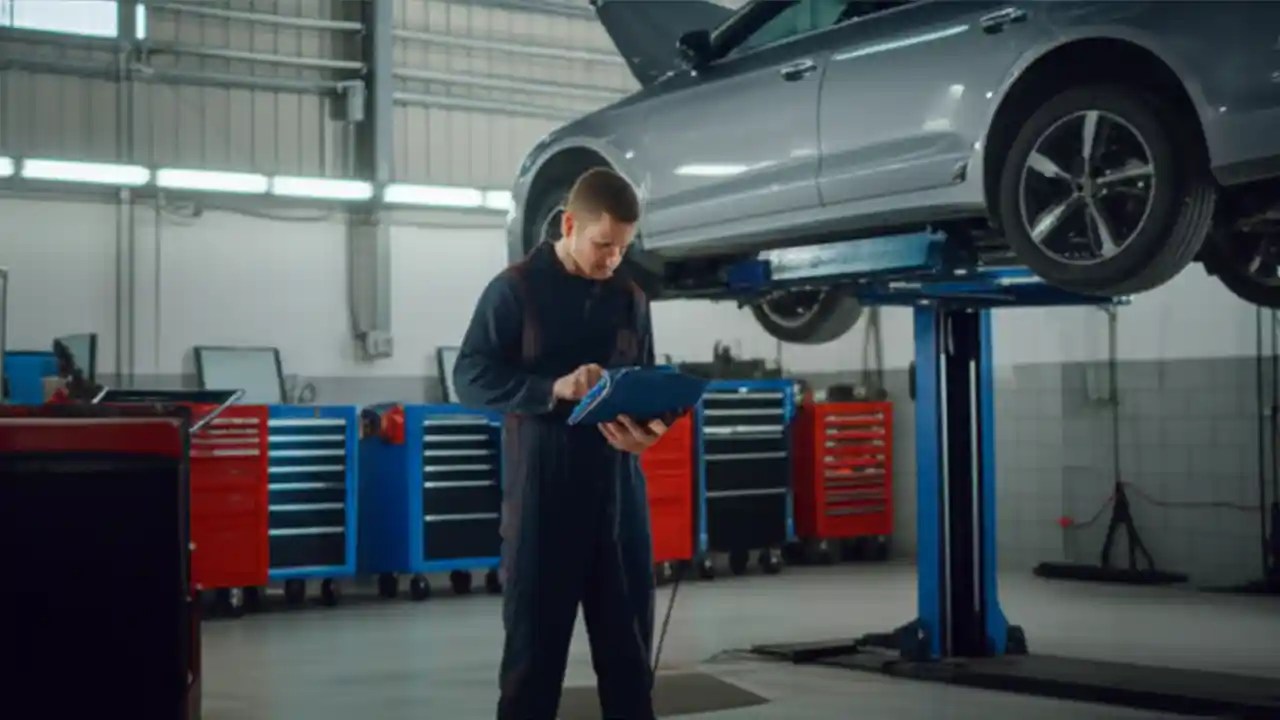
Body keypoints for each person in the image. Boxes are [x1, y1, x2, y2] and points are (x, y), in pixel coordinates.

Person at [453, 167, 671, 720]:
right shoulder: (515, 290)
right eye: (604, 245)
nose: (613, 260)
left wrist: (648, 431)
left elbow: (642, 380)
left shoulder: (630, 297)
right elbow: (470, 376)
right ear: (570, 224)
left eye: (623, 248)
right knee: (532, 669)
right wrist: (552, 388)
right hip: (543, 502)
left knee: (629, 669)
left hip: (619, 501)